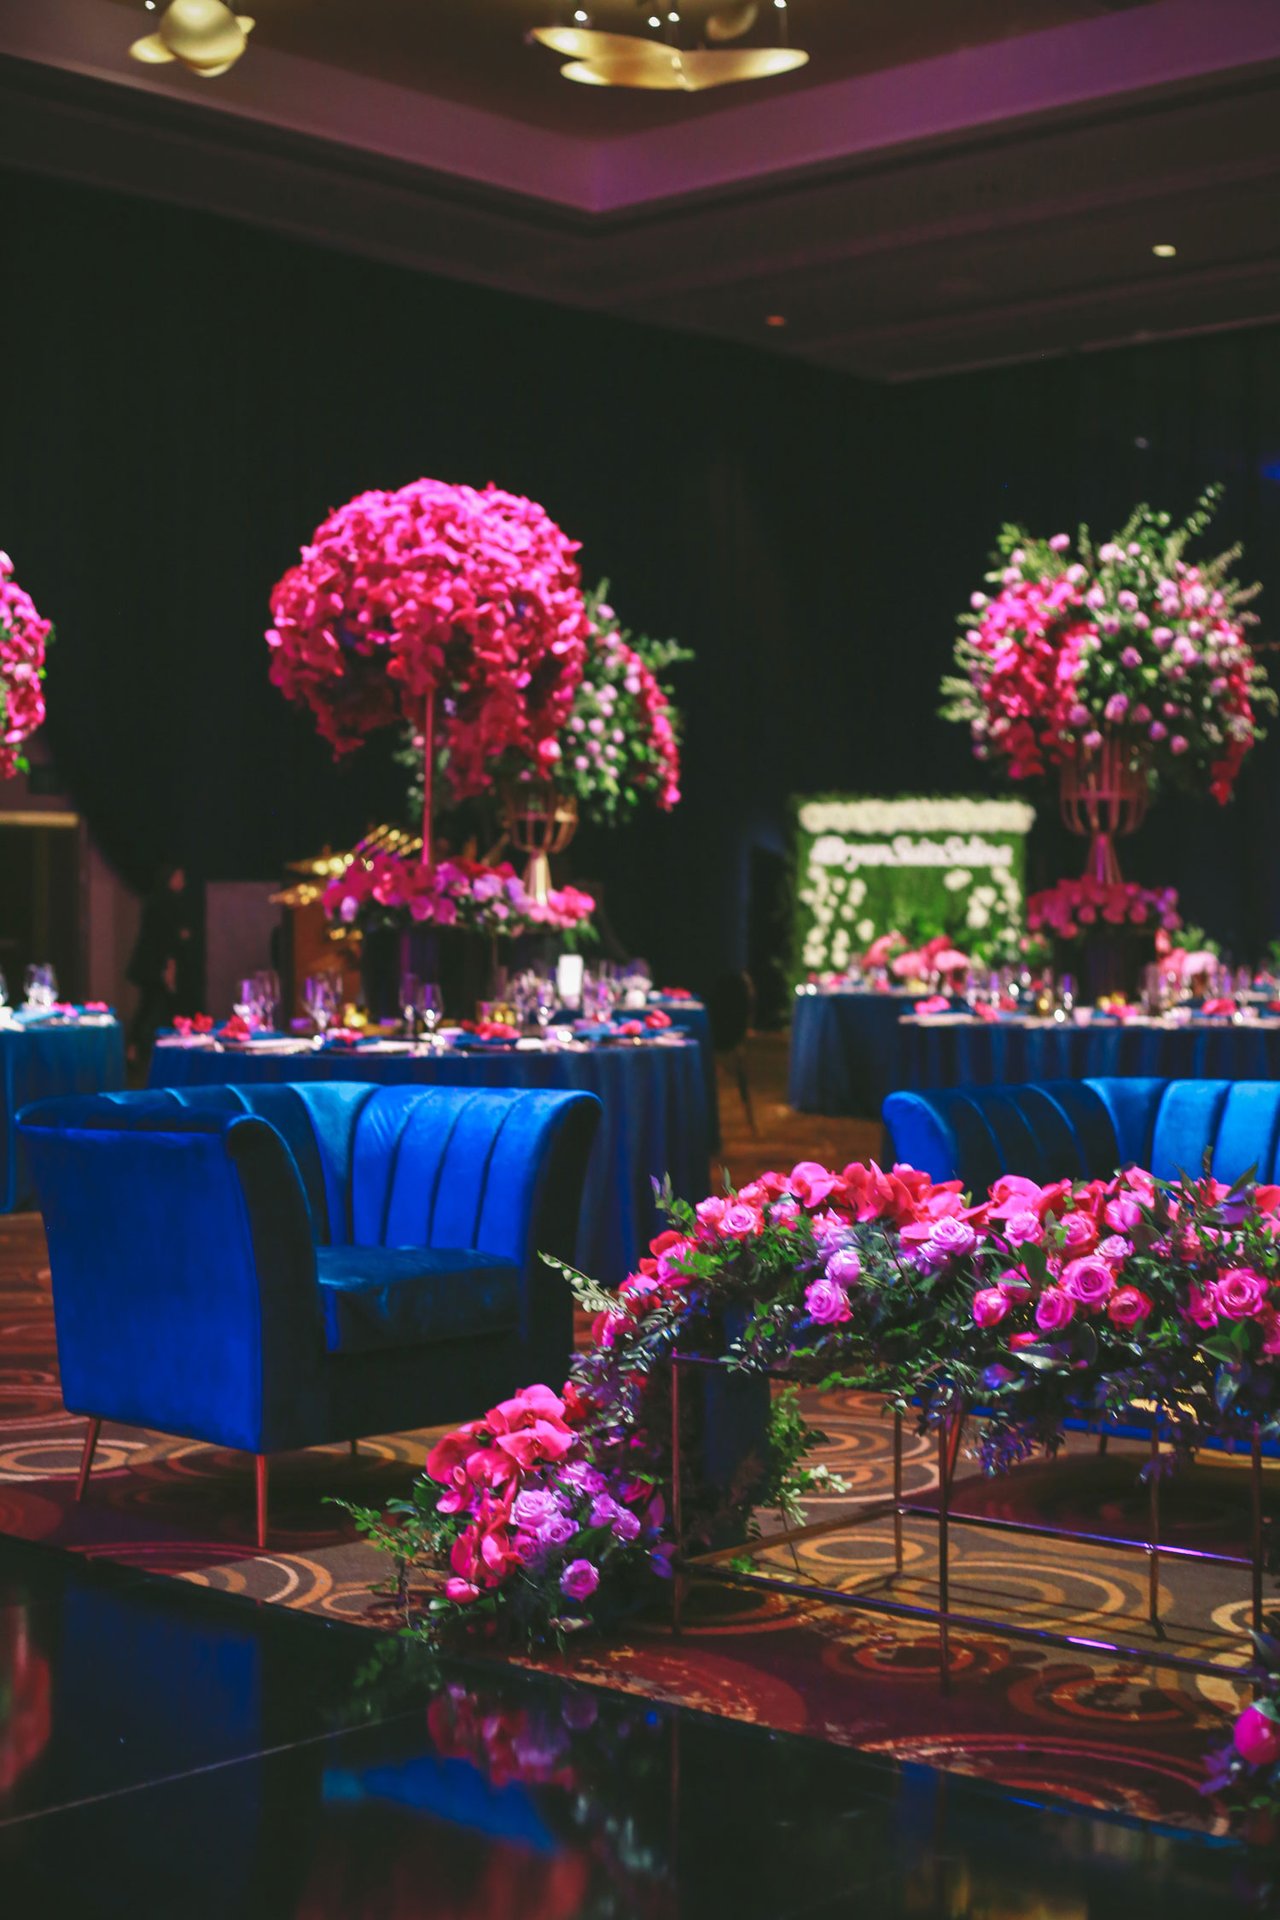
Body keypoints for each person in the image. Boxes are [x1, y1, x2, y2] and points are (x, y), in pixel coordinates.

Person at [126, 863, 193, 1065]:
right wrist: (170, 969)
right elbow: (165, 939)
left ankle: (136, 1049)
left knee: (149, 1007)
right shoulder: (167, 902)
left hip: (150, 965)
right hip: (156, 966)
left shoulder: (155, 900)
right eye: (179, 877)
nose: (183, 882)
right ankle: (150, 1051)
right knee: (155, 1009)